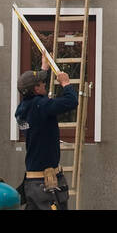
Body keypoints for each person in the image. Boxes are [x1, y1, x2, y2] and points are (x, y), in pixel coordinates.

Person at [14, 67, 79, 210]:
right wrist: (66, 84)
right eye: (41, 82)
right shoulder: (41, 106)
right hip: (46, 184)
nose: (44, 83)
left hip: (32, 183)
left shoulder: (21, 109)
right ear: (36, 89)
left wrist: (44, 68)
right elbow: (72, 101)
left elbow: (38, 96)